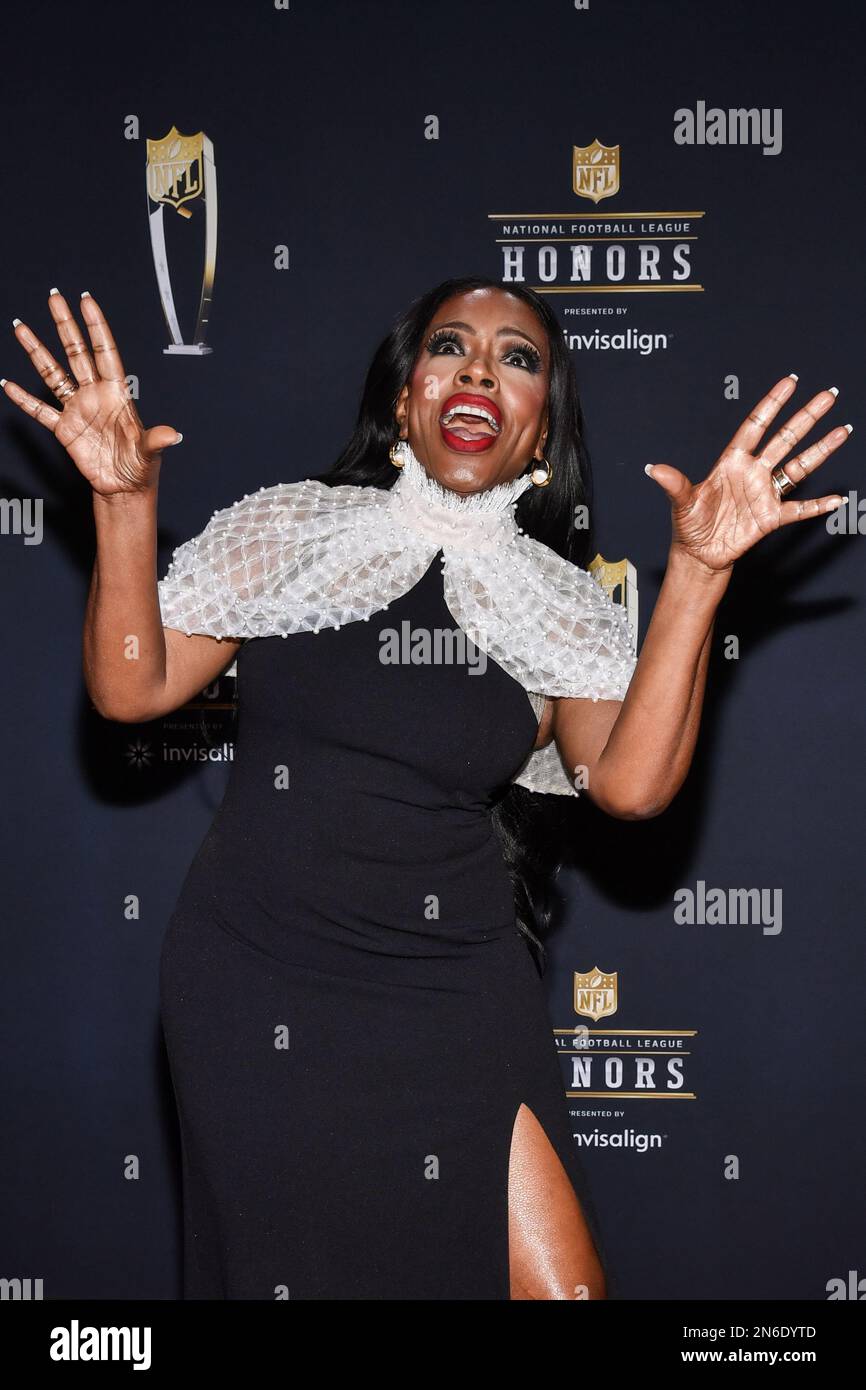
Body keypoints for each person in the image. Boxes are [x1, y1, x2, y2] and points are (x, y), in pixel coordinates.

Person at [3, 276, 850, 1300]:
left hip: (455, 994)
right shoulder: (293, 529)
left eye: (517, 357)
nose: (479, 367)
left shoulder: (559, 606)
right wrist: (123, 501)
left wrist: (701, 572)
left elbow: (628, 788)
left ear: (540, 435)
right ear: (405, 400)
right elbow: (131, 686)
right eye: (450, 346)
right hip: (259, 974)